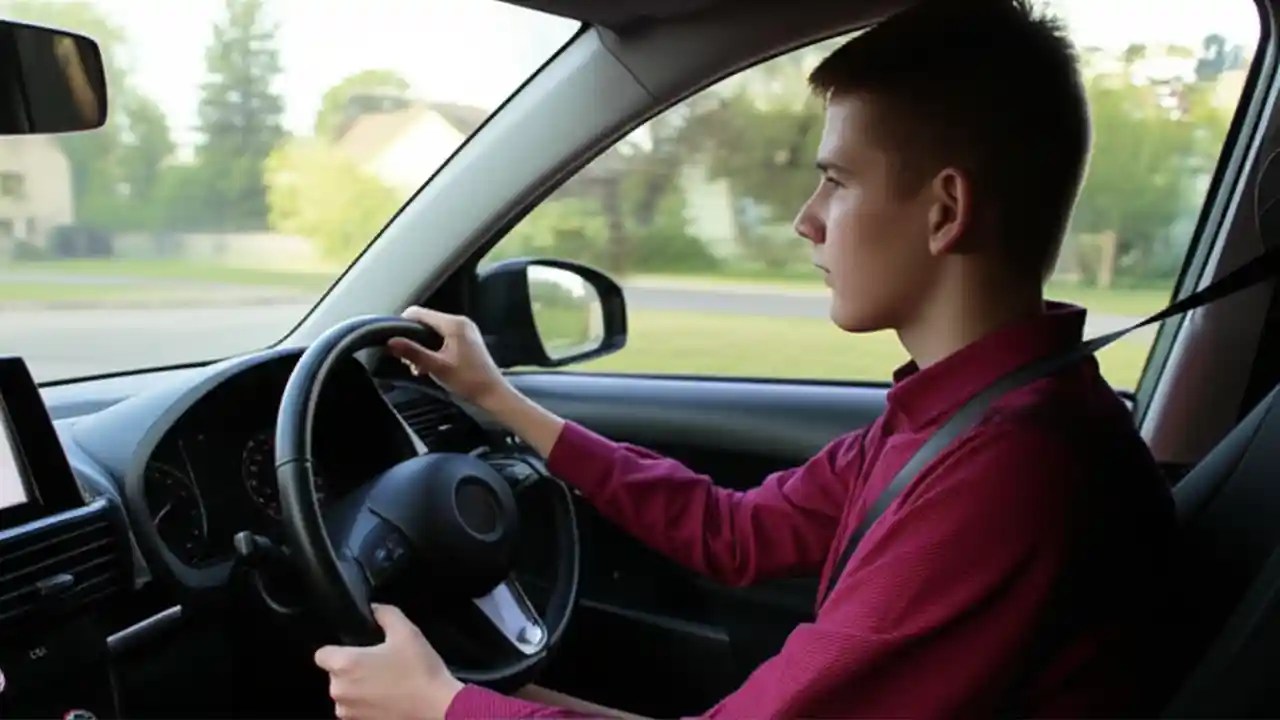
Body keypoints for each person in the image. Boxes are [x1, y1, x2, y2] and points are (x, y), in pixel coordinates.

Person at [312, 0, 1178, 717]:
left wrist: (444, 709)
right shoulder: (964, 416)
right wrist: (503, 402)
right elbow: (735, 534)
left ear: (945, 210)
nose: (807, 218)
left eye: (837, 181)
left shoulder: (1010, 476)